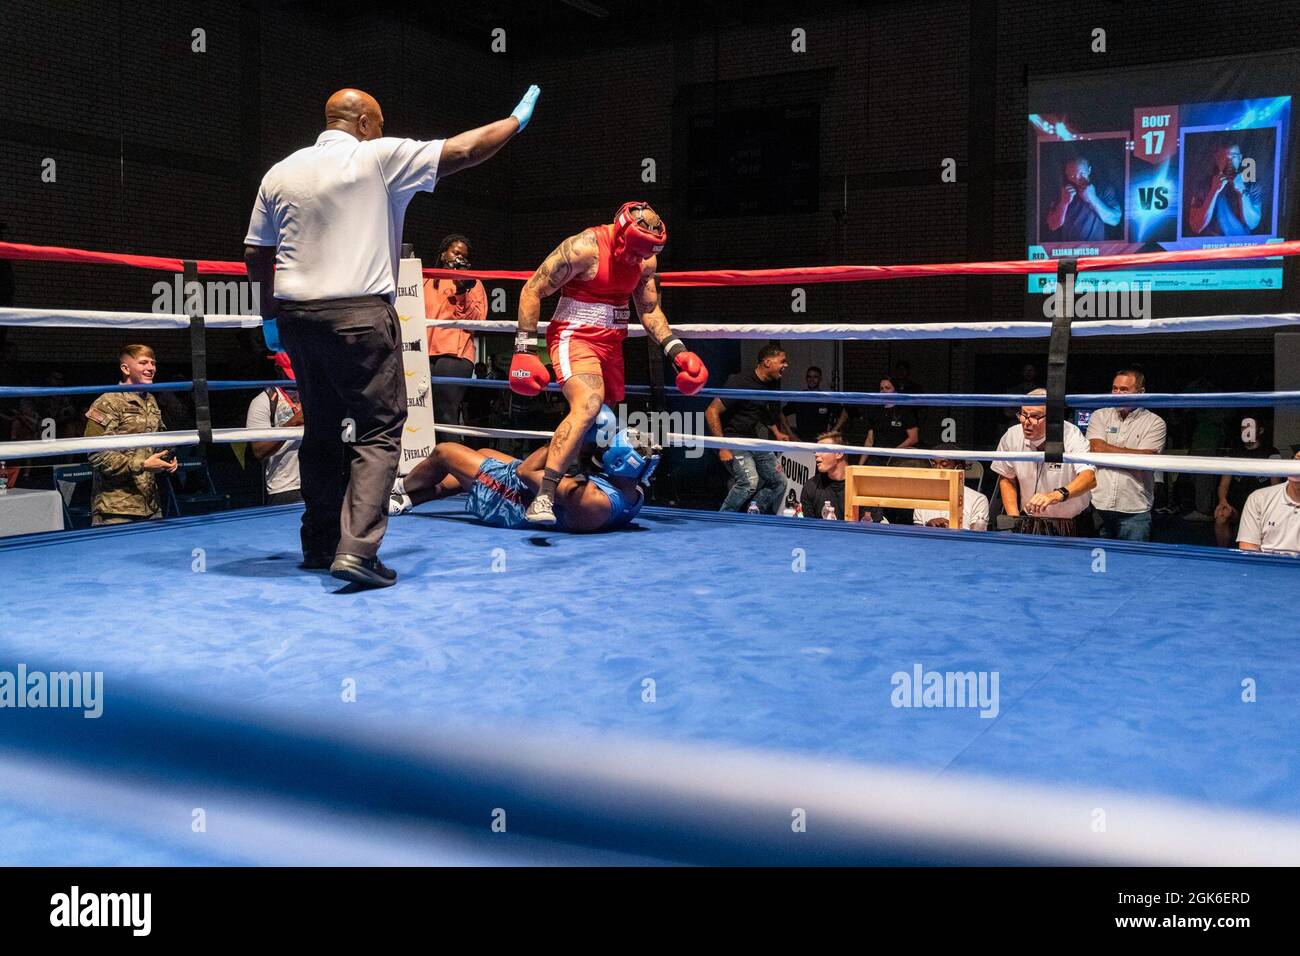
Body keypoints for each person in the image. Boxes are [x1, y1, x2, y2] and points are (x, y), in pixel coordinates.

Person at [243, 84, 539, 588]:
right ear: (362, 124)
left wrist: (270, 316)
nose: (381, 132)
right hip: (359, 315)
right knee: (379, 431)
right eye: (378, 124)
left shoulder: (280, 171)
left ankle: (318, 544)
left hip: (298, 319)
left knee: (320, 429)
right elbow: (465, 150)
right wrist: (515, 122)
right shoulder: (377, 158)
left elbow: (255, 253)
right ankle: (357, 550)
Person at [507, 201, 707, 525]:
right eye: (634, 252)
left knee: (603, 421)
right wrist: (525, 349)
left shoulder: (645, 260)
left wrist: (677, 351)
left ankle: (579, 482)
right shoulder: (583, 248)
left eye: (645, 254)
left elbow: (649, 310)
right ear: (620, 235)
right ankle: (545, 494)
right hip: (575, 335)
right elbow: (532, 289)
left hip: (613, 343)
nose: (637, 260)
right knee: (588, 405)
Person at [389, 407, 657, 534]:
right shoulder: (635, 493)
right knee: (483, 455)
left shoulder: (591, 500)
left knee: (445, 452)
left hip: (511, 501)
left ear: (619, 462)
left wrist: (566, 439)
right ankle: (411, 500)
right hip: (524, 490)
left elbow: (526, 473)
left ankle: (401, 487)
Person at [84, 344, 178, 526]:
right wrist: (142, 465)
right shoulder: (108, 401)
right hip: (116, 509)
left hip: (150, 505)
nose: (151, 368)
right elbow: (96, 454)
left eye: (153, 363)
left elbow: (158, 440)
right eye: (143, 363)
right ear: (125, 368)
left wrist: (167, 457)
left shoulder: (150, 400)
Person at [991, 389, 1097, 536]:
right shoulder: (1012, 436)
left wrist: (1055, 495)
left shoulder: (1072, 435)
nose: (1026, 422)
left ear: (1053, 417)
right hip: (1030, 521)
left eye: (1035, 416)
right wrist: (1013, 519)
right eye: (1023, 414)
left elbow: (1089, 478)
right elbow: (1007, 477)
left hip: (1073, 523)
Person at [707, 344, 794, 514]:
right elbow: (711, 411)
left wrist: (776, 432)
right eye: (782, 361)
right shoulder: (740, 381)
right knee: (749, 482)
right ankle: (725, 517)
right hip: (731, 439)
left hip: (751, 439)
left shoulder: (769, 384)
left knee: (779, 481)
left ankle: (753, 513)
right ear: (767, 362)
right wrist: (722, 447)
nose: (786, 365)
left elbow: (759, 409)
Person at [1086, 367, 1167, 541]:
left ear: (1141, 392)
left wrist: (1108, 452)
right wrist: (1136, 455)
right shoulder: (1099, 416)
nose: (1117, 393)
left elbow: (1145, 462)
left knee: (1133, 565)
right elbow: (1096, 449)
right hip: (1099, 505)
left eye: (1124, 389)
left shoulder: (1155, 423)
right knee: (1097, 564)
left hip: (1135, 510)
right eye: (1115, 388)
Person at [425, 233, 487, 435]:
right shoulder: (425, 280)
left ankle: (451, 466)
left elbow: (476, 321)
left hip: (454, 355)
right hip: (422, 352)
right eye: (456, 253)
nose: (460, 258)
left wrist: (462, 291)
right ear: (444, 255)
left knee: (445, 415)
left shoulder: (473, 283)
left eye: (465, 256)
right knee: (420, 414)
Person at [246, 352, 303, 505]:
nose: (295, 376)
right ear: (277, 369)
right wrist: (292, 423)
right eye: (290, 372)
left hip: (321, 481)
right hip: (285, 487)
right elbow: (259, 450)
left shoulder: (314, 394)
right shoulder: (263, 402)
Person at [1215, 423, 1282, 548]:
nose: (1246, 430)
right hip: (1237, 507)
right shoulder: (1233, 452)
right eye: (1243, 427)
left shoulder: (1271, 452)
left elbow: (1275, 485)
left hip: (1261, 507)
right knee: (1221, 516)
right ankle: (1223, 554)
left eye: (1250, 426)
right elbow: (1224, 484)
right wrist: (1223, 502)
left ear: (1260, 430)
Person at [1188, 143, 1263, 236]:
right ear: (1217, 158)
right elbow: (1196, 227)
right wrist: (1213, 191)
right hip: (1211, 246)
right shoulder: (1202, 185)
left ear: (1240, 158)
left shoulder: (1252, 185)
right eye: (1224, 157)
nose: (1229, 162)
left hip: (1242, 246)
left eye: (1234, 156)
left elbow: (1253, 224)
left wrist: (1242, 192)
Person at [913, 444, 989, 531]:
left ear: (959, 467)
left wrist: (952, 529)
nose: (937, 469)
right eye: (933, 464)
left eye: (944, 464)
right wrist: (928, 526)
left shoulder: (978, 499)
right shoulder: (923, 497)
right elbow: (917, 533)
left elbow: (976, 538)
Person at [1045, 156, 1122, 240]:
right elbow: (1052, 225)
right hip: (1069, 250)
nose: (1077, 179)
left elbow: (1115, 220)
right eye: (1072, 176)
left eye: (1082, 173)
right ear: (1067, 174)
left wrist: (1093, 198)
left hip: (1098, 249)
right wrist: (1064, 203)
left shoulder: (1104, 188)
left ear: (1089, 170)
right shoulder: (1062, 191)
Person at [1236, 451, 1300, 554]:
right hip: (1265, 566)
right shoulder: (1259, 498)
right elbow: (1248, 549)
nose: (1298, 466)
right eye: (1296, 459)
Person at [782, 365, 846, 441]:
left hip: (820, 442)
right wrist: (791, 434)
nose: (812, 380)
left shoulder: (826, 398)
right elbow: (781, 413)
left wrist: (831, 434)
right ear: (806, 378)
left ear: (820, 379)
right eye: (809, 377)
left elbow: (844, 414)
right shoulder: (799, 397)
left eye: (815, 377)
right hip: (802, 441)